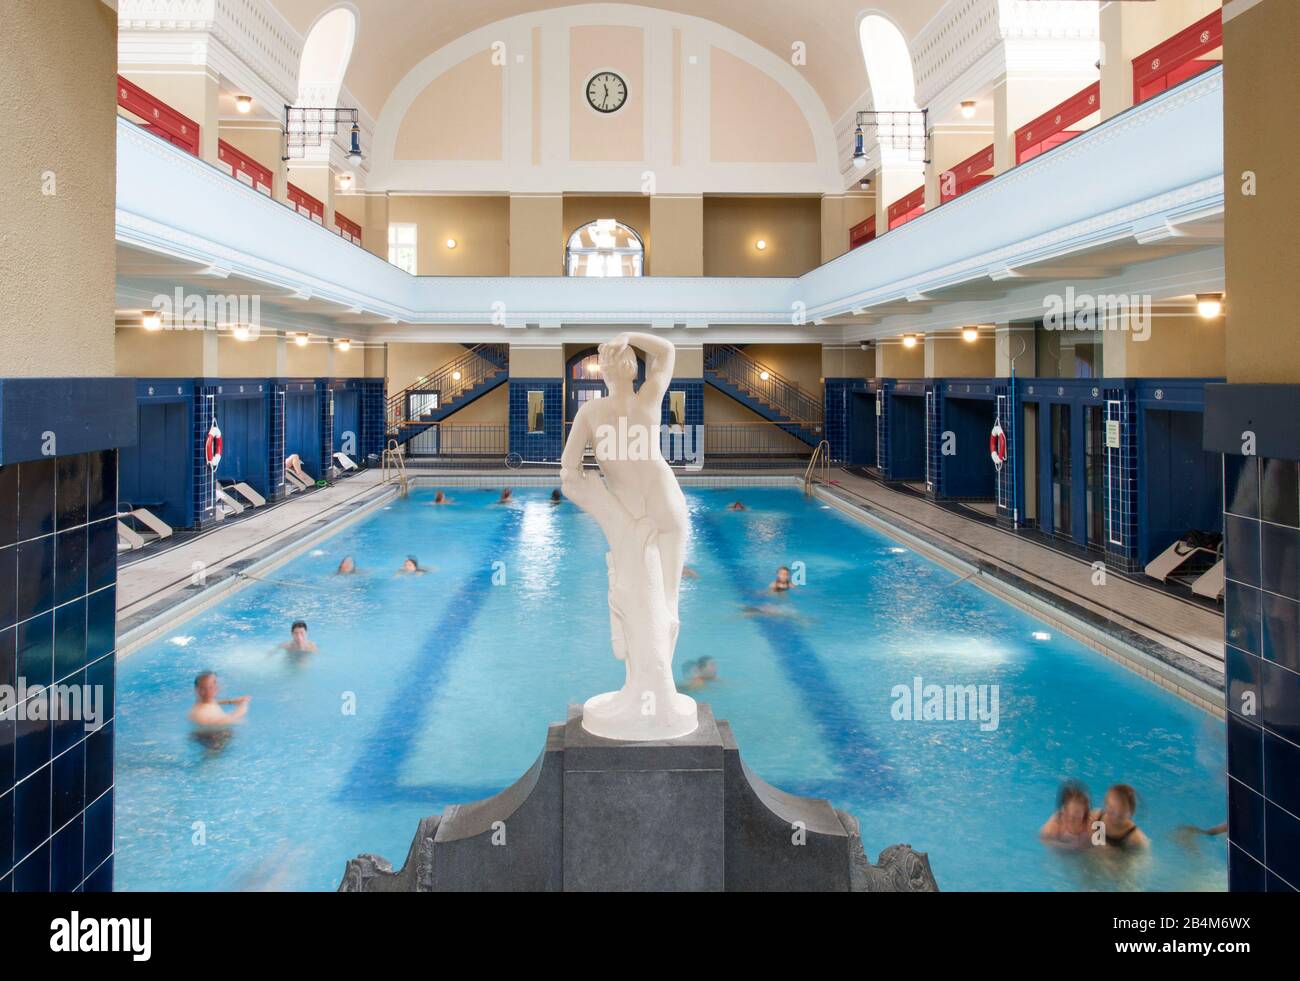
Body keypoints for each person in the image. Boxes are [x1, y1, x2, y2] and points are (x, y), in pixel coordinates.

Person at [1092, 784, 1149, 849]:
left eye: (1120, 814)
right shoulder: (1095, 817)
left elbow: (1141, 857)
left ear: (1130, 813)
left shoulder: (1135, 838)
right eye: (1110, 807)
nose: (1114, 815)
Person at [1040, 781, 1092, 849]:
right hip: (1061, 852)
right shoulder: (1056, 824)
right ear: (1064, 810)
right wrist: (1067, 847)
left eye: (1078, 812)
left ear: (1085, 810)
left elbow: (1100, 845)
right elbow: (1043, 840)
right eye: (1071, 813)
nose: (1074, 817)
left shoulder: (1090, 822)